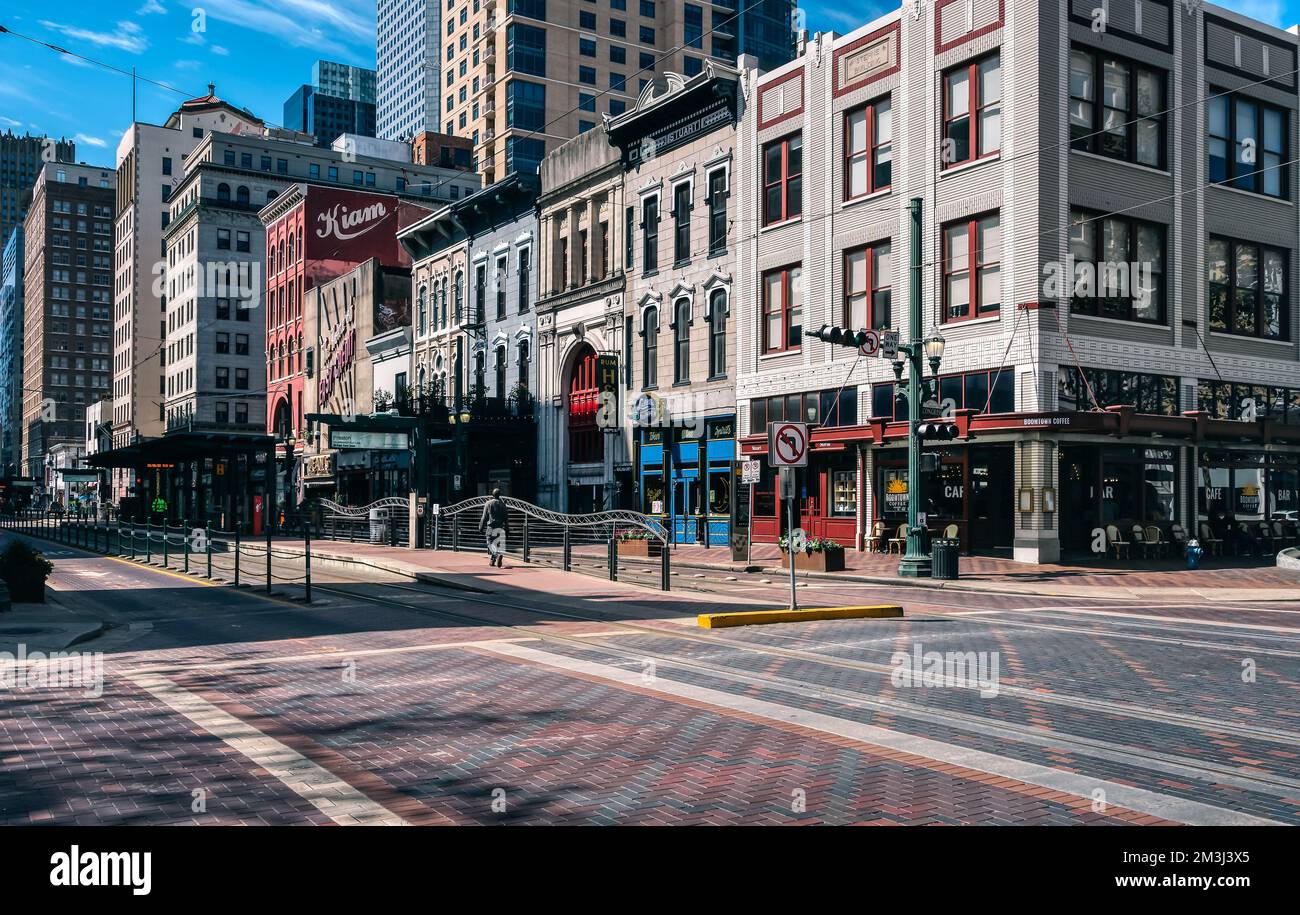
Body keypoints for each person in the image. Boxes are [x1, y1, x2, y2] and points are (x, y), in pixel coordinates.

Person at [479, 488, 508, 567]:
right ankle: (492, 561)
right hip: (500, 527)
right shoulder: (503, 504)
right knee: (496, 544)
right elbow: (506, 518)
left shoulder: (488, 503)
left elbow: (484, 517)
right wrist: (507, 529)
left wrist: (481, 527)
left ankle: (496, 555)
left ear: (493, 494)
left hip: (491, 527)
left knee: (490, 543)